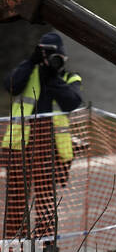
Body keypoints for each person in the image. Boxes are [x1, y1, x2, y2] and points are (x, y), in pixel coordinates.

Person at [1, 31, 83, 237]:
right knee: (16, 202)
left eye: (57, 57)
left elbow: (72, 102)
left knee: (46, 201)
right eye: (47, 55)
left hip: (51, 148)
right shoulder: (29, 71)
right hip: (21, 145)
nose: (52, 61)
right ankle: (13, 247)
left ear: (64, 58)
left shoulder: (69, 77)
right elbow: (11, 86)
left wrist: (52, 79)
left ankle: (43, 249)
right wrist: (31, 62)